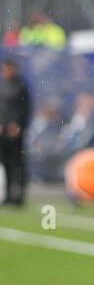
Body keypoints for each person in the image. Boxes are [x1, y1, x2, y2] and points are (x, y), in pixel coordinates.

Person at [0, 56, 32, 205]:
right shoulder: (4, 86)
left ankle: (19, 195)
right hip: (3, 131)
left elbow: (25, 109)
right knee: (6, 163)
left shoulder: (21, 86)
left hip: (15, 131)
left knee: (17, 163)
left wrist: (18, 125)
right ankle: (8, 195)